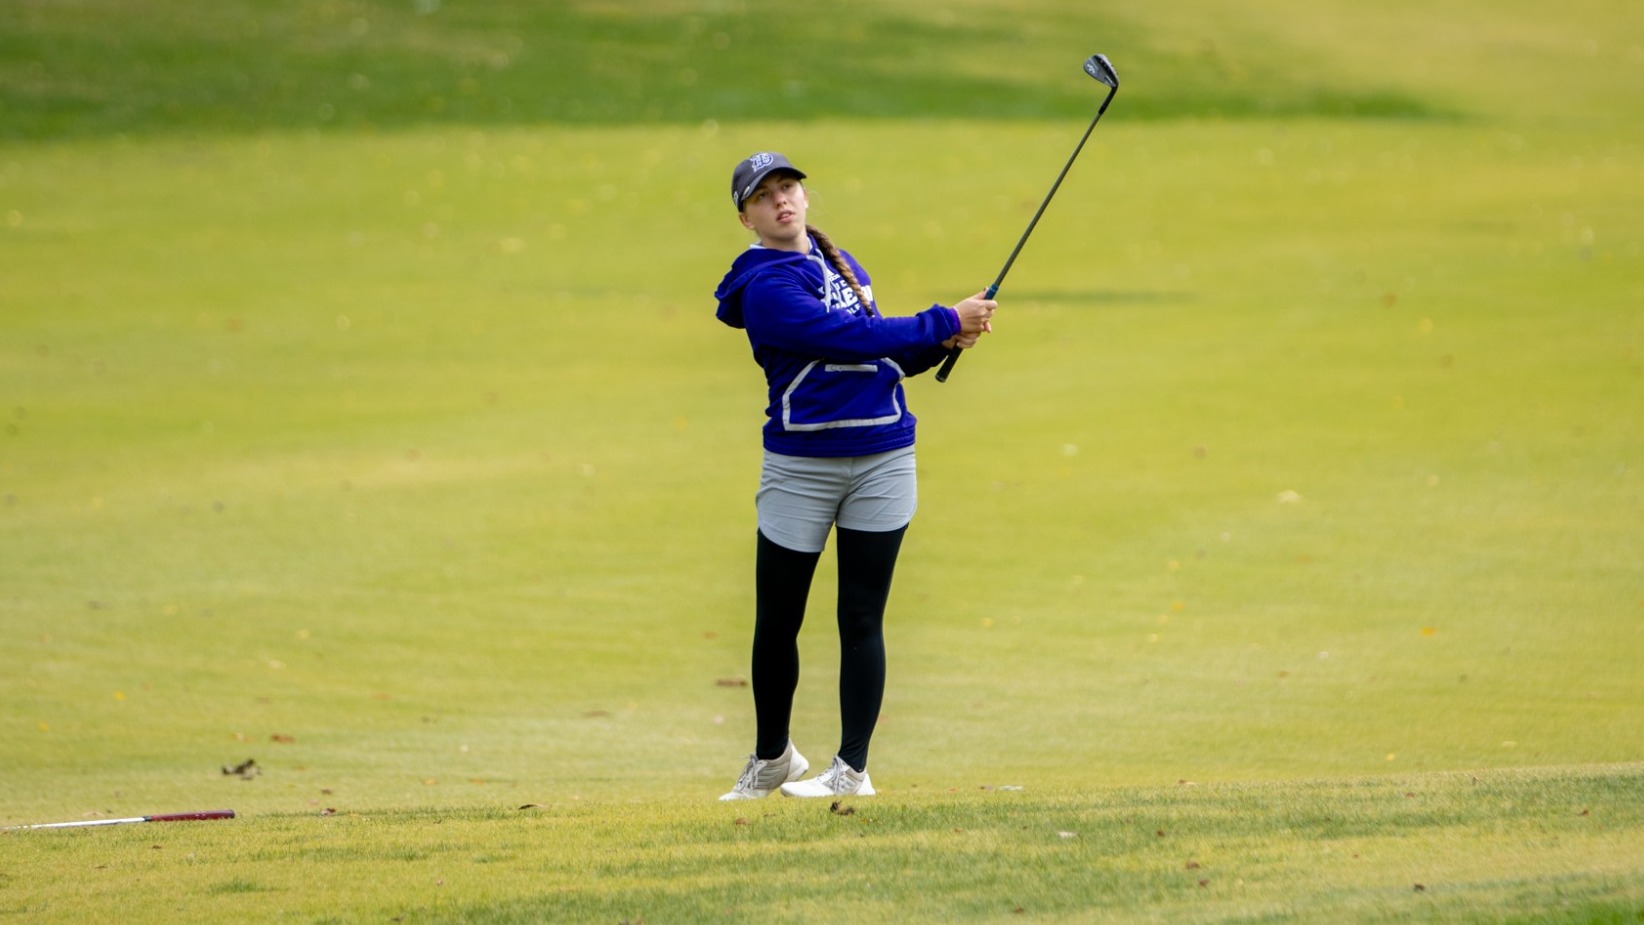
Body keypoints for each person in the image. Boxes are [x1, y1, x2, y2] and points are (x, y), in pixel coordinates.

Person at [712, 152, 996, 799]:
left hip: (884, 456)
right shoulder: (764, 287)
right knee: (776, 620)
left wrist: (940, 344)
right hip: (800, 465)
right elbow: (837, 339)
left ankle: (851, 770)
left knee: (862, 617)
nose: (782, 201)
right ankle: (772, 757)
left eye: (789, 188)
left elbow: (878, 356)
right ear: (746, 217)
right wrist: (943, 319)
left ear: (805, 199)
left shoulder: (843, 264)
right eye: (765, 196)